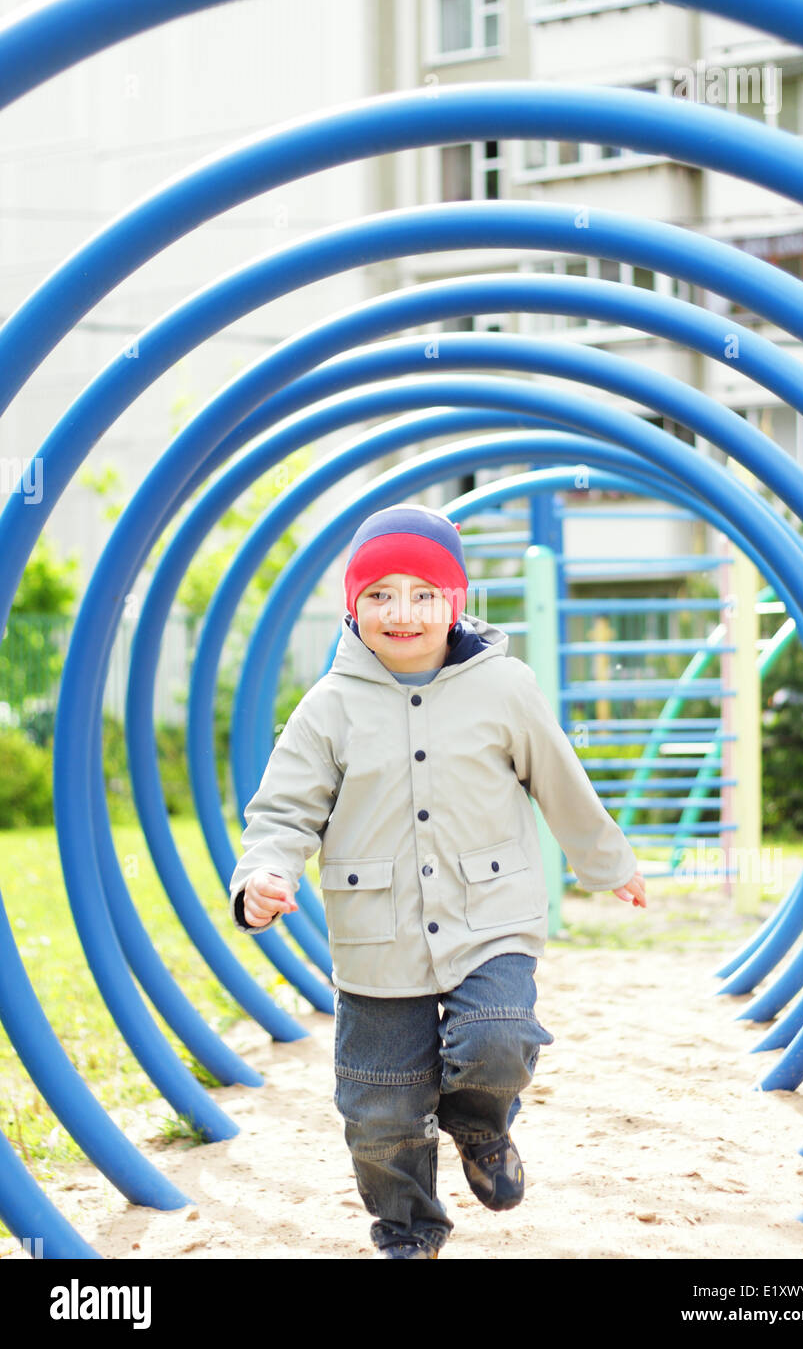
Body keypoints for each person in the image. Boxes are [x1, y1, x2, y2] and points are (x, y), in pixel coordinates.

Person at [229, 503, 646, 1259]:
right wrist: (264, 873)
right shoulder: (328, 708)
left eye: (424, 593)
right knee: (380, 1112)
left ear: (456, 602)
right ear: (352, 607)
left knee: (500, 1041)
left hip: (491, 918)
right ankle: (409, 1231)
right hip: (376, 940)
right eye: (379, 594)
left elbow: (559, 778)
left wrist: (607, 863)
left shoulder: (505, 688)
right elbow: (284, 810)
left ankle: (481, 1124)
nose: (403, 612)